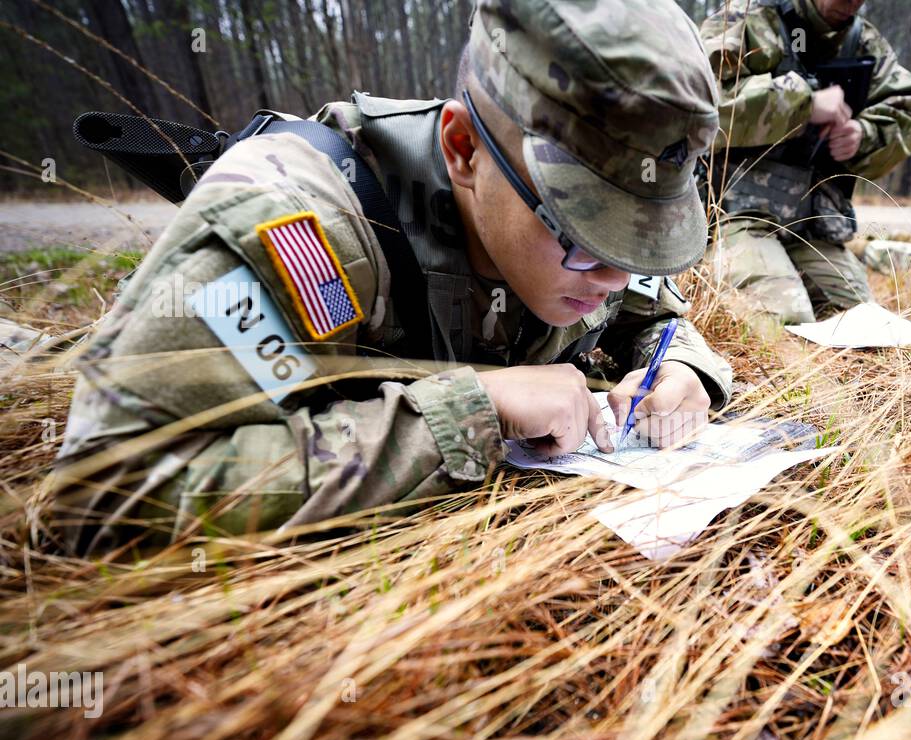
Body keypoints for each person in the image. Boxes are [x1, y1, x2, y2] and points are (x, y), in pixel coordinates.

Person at [46, 0, 734, 557]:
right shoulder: (299, 225)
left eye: (640, 242)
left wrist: (681, 376)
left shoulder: (568, 235)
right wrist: (470, 413)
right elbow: (103, 496)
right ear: (464, 149)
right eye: (583, 236)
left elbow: (658, 318)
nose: (615, 276)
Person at [698, 0, 911, 331]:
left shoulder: (864, 42)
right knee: (784, 321)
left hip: (814, 227)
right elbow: (698, 104)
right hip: (737, 218)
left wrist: (864, 134)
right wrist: (800, 104)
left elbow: (902, 113)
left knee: (863, 324)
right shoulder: (748, 21)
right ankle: (700, 280)